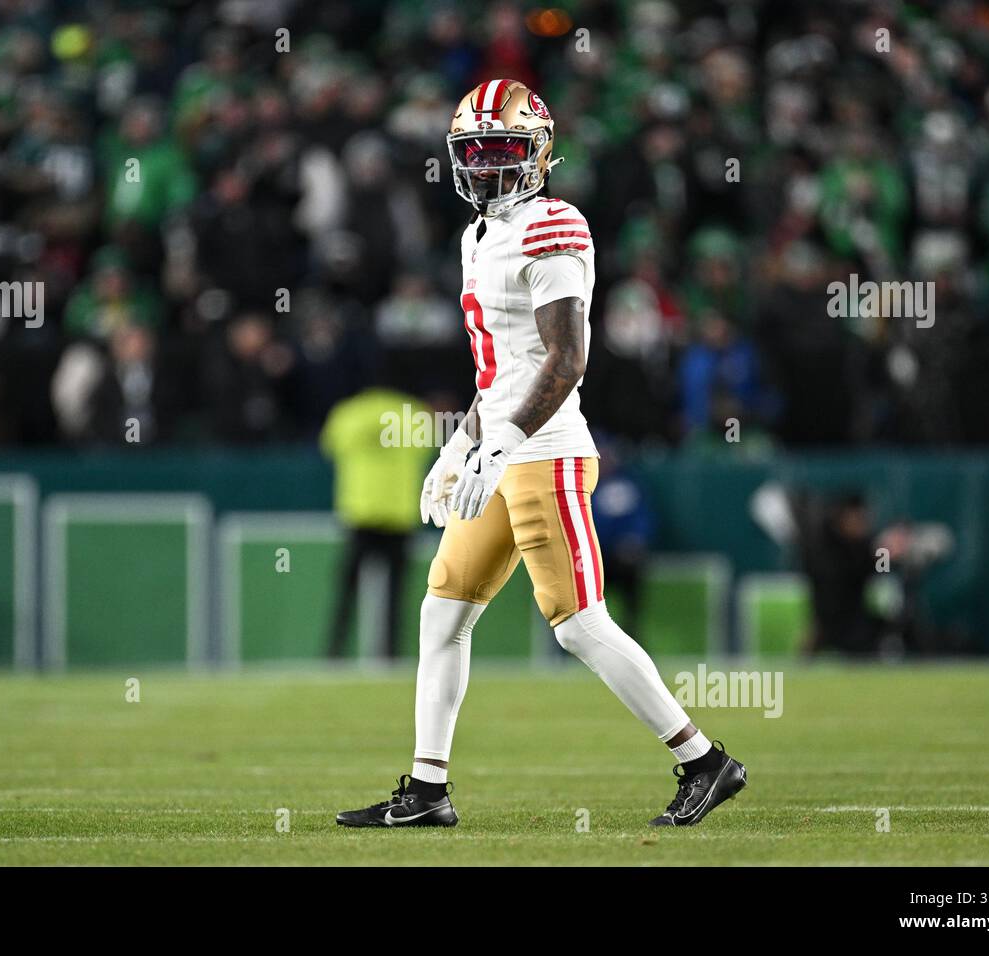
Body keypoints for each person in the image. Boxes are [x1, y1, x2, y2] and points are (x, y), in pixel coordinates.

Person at [337, 80, 746, 829]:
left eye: (504, 151)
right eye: (477, 153)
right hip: (500, 449)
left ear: (540, 155)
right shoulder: (475, 236)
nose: (489, 167)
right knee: (442, 614)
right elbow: (500, 369)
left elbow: (566, 360)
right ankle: (428, 790)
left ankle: (703, 760)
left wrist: (501, 447)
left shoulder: (554, 224)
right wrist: (460, 446)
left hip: (545, 453)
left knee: (577, 622)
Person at [319, 381, 431, 659]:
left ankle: (334, 655)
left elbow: (329, 447)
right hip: (399, 516)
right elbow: (428, 450)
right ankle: (389, 656)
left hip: (362, 514)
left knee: (346, 594)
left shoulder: (347, 413)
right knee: (396, 596)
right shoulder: (416, 415)